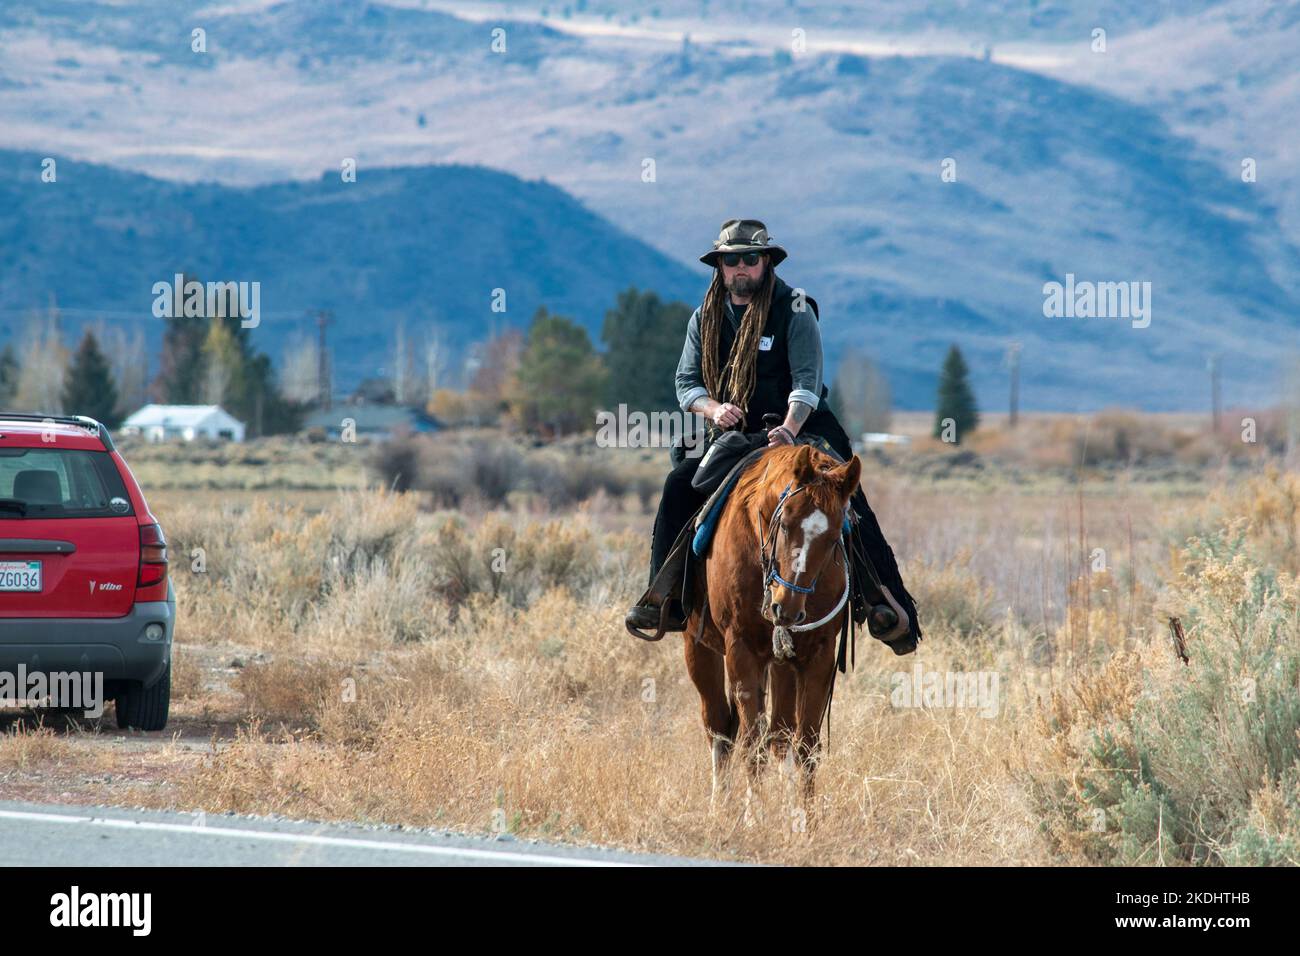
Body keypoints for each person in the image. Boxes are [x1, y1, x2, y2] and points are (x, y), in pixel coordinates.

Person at [624, 218, 921, 651]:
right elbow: (686, 383)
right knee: (678, 486)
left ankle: (882, 604)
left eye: (749, 258)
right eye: (731, 261)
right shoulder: (704, 317)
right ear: (720, 268)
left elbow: (806, 380)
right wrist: (713, 408)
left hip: (802, 427)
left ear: (766, 262)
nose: (740, 268)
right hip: (734, 430)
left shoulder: (795, 308)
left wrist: (789, 427)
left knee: (845, 498)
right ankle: (664, 597)